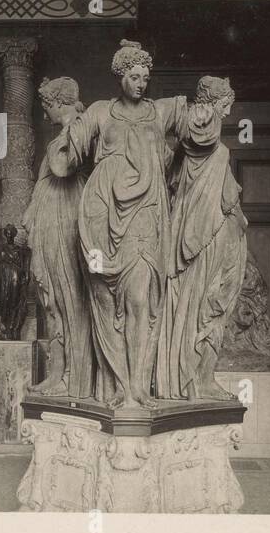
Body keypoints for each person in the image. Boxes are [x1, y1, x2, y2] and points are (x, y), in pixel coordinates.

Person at [46, 40, 193, 409]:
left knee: (141, 299)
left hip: (145, 216)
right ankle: (116, 385)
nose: (141, 83)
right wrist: (67, 131)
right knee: (102, 298)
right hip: (98, 218)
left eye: (145, 77)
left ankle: (137, 387)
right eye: (133, 76)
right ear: (120, 77)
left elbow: (198, 130)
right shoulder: (100, 112)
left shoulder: (160, 112)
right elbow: (65, 161)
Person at [156, 76, 248, 400]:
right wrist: (201, 110)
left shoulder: (204, 148)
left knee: (204, 306)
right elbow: (195, 129)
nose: (227, 112)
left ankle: (194, 377)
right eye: (225, 105)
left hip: (202, 234)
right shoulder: (207, 138)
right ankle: (198, 379)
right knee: (207, 306)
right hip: (204, 238)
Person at [24, 77, 93, 397]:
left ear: (58, 103)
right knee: (52, 298)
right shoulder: (67, 131)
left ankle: (72, 377)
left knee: (70, 297)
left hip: (67, 214)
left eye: (46, 107)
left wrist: (68, 134)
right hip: (51, 215)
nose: (44, 114)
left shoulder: (79, 129)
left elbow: (64, 167)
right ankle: (57, 372)